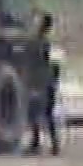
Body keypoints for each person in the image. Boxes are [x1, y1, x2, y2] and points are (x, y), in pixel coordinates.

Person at [23, 12, 61, 156]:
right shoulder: (45, 42)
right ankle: (53, 144)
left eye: (36, 21)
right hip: (47, 81)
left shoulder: (37, 42)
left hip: (39, 82)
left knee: (35, 113)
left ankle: (36, 143)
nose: (34, 23)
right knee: (47, 114)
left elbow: (33, 61)